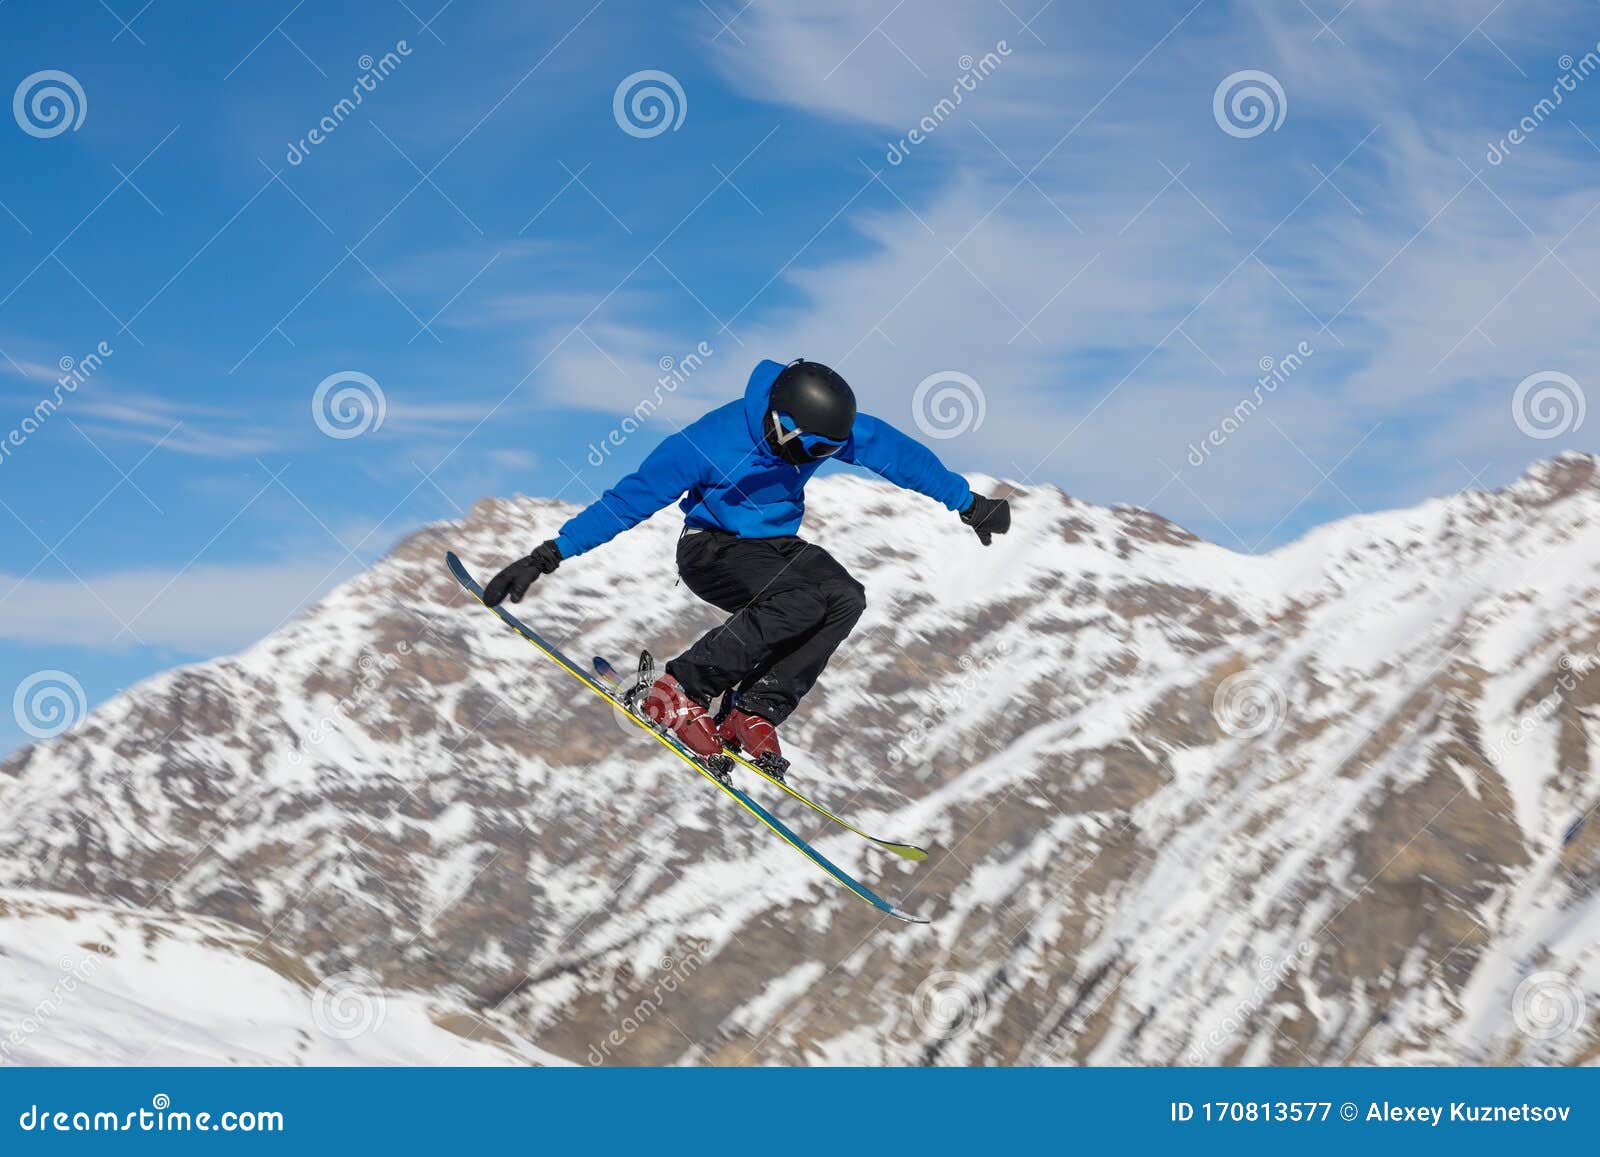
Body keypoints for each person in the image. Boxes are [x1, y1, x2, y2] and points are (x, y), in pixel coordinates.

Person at [483, 357, 1011, 777]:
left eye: (832, 447)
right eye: (817, 448)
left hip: (774, 545)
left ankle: (752, 708)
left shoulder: (819, 430)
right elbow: (629, 501)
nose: (822, 456)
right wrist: (548, 554)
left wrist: (966, 503)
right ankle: (678, 690)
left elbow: (900, 456)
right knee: (798, 600)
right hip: (710, 549)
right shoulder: (708, 442)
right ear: (783, 425)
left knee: (845, 597)